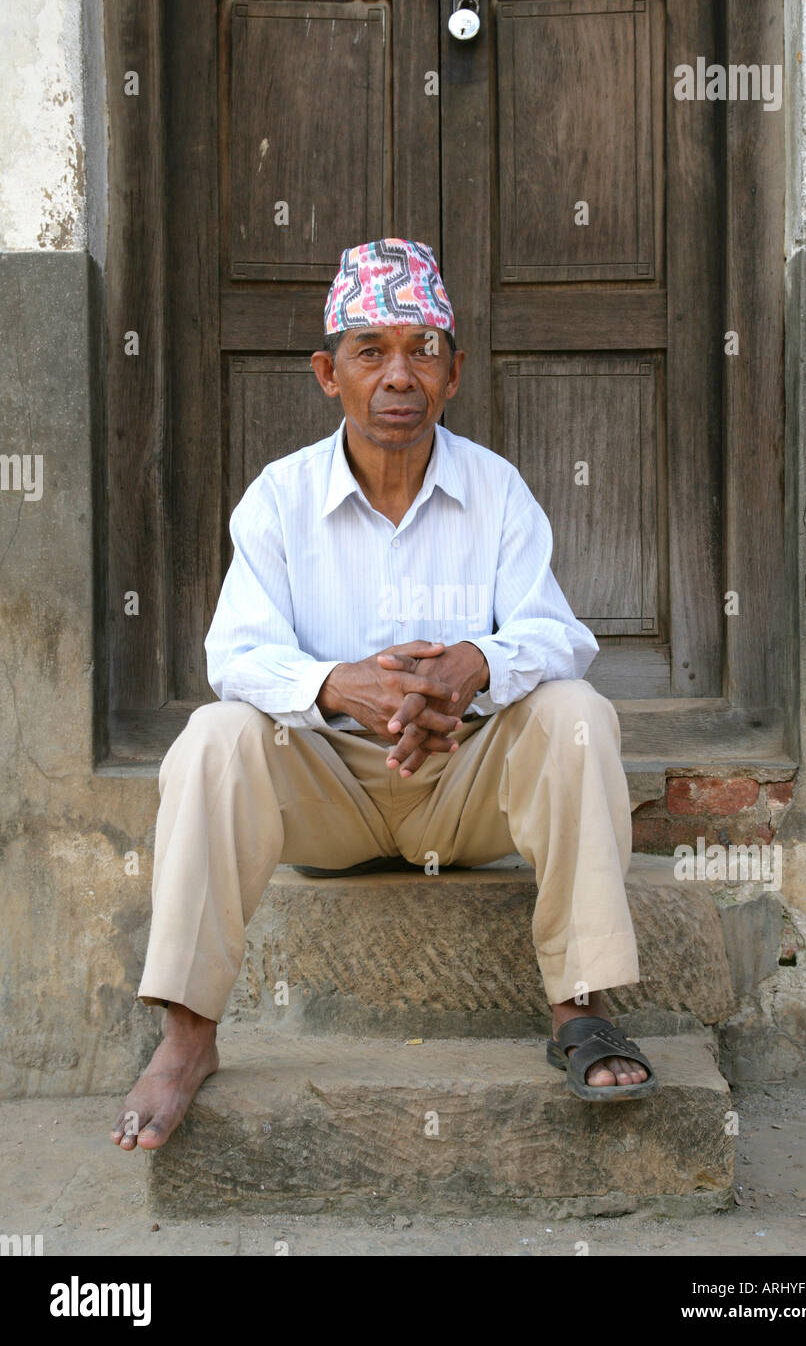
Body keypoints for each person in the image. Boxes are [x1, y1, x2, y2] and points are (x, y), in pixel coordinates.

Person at [111, 238, 656, 1153]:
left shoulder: (499, 491)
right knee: (214, 735)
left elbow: (560, 636)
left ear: (454, 372)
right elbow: (234, 654)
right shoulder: (279, 499)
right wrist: (336, 684)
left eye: (422, 350)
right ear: (329, 373)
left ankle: (580, 1007)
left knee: (576, 716)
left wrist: (470, 668)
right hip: (328, 796)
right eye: (371, 352)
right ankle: (188, 1035)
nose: (398, 376)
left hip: (460, 787)